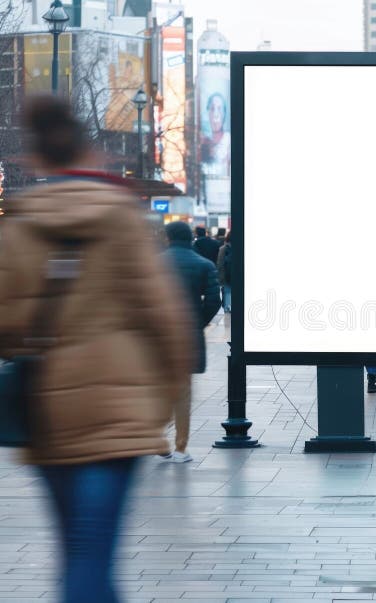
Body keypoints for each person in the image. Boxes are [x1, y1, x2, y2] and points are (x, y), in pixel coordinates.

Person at [0, 96, 192, 603]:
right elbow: (165, 314)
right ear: (89, 151)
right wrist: (163, 400)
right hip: (119, 411)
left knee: (75, 551)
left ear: (34, 159)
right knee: (93, 550)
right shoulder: (122, 219)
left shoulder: (17, 224)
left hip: (49, 409)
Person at [162, 221, 222, 462]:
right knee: (182, 393)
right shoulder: (203, 265)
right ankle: (180, 447)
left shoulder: (154, 263)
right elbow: (213, 301)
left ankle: (154, 438)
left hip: (157, 336)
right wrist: (199, 323)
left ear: (167, 237)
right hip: (187, 336)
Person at [217, 231, 232, 314]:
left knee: (227, 293)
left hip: (227, 277)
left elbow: (220, 265)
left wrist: (221, 279)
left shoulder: (223, 249)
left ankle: (227, 310)